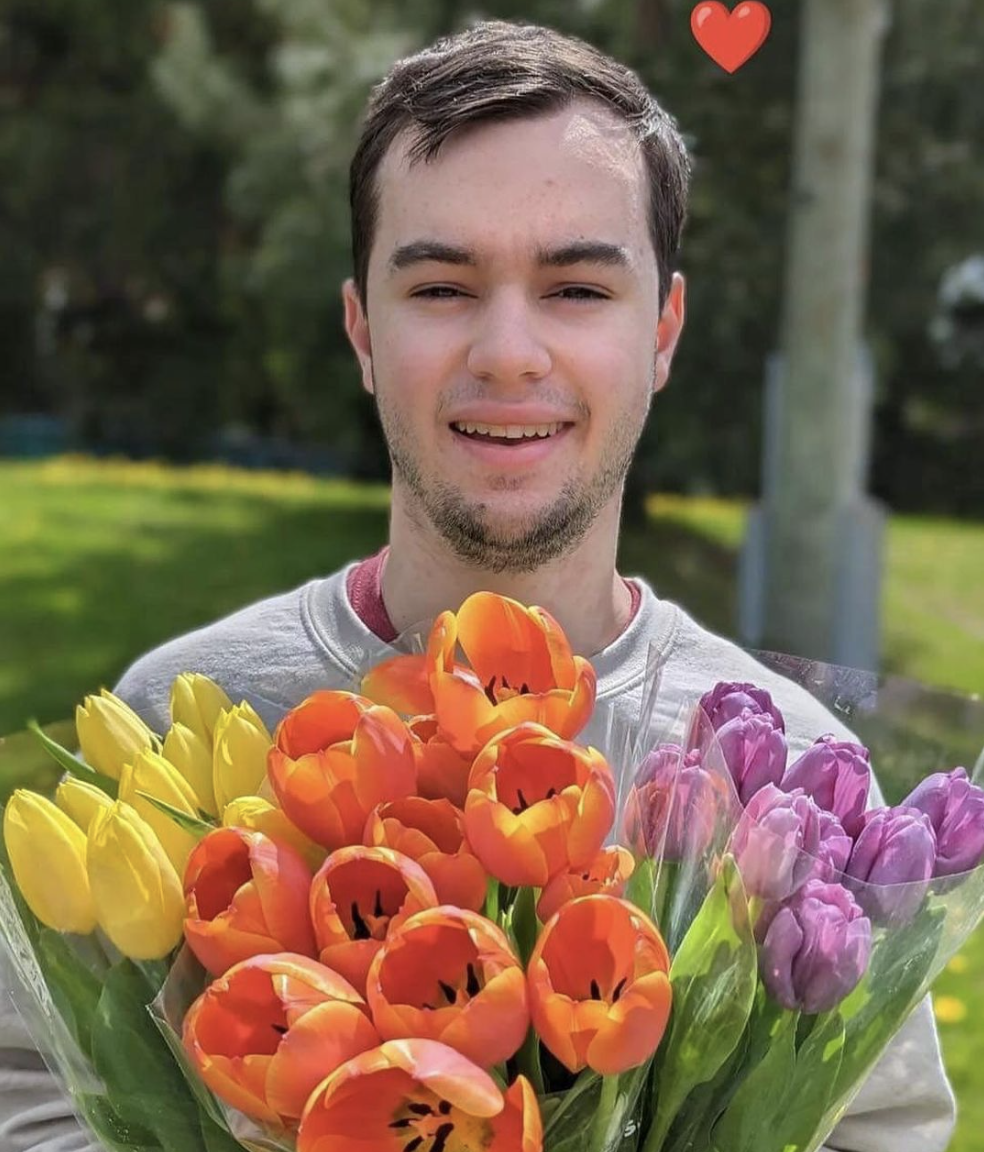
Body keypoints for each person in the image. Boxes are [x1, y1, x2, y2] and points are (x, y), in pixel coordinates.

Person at [0, 19, 954, 1152]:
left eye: (577, 290)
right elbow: (36, 1101)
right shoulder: (178, 718)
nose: (508, 352)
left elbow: (876, 1129)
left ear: (664, 330)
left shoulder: (787, 780)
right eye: (444, 287)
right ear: (362, 330)